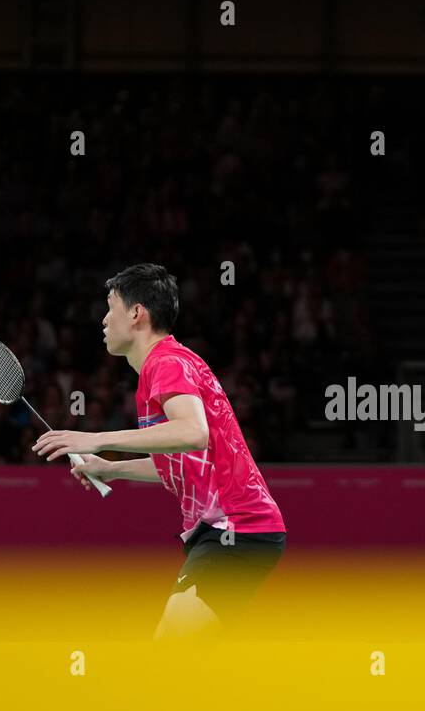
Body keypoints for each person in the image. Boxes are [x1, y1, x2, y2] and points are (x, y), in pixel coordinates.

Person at [32, 264, 286, 639]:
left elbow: (193, 432)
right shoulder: (165, 365)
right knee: (190, 651)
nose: (103, 320)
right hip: (230, 531)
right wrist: (111, 468)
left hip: (236, 527)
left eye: (110, 307)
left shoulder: (166, 363)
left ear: (137, 313)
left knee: (172, 645)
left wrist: (96, 439)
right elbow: (182, 462)